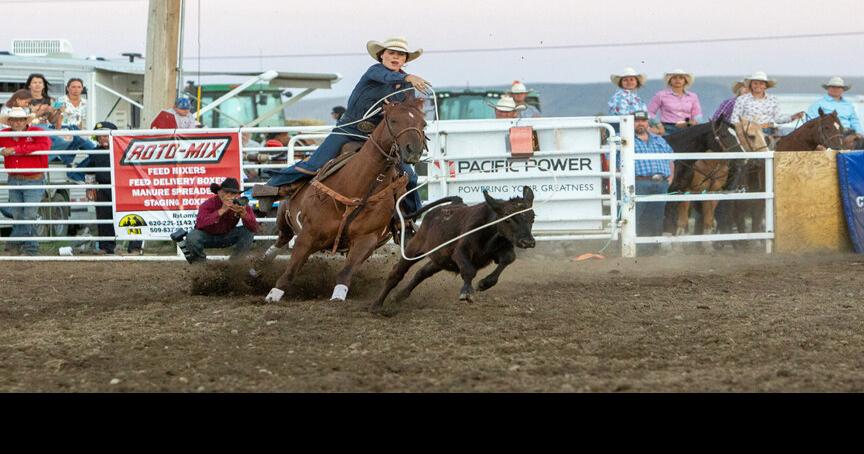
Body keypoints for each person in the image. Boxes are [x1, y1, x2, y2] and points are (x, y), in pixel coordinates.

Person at [266, 36, 429, 216]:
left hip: (376, 138)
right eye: (391, 53)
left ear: (405, 59)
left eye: (400, 54)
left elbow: (407, 111)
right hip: (348, 130)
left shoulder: (406, 87)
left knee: (409, 176)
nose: (395, 57)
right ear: (382, 55)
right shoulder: (374, 72)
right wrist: (408, 76)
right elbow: (385, 76)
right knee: (314, 164)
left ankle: (412, 217)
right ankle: (270, 188)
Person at [84, 121, 143, 255]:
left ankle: (135, 247)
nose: (102, 138)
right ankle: (106, 246)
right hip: (103, 188)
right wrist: (89, 188)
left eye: (105, 136)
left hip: (124, 187)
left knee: (131, 216)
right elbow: (89, 171)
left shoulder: (123, 149)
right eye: (100, 136)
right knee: (104, 217)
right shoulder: (94, 153)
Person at [0, 107, 52, 256]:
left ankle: (22, 246)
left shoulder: (37, 131)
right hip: (14, 179)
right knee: (18, 215)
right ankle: (26, 247)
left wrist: (15, 149)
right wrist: (3, 150)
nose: (17, 123)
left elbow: (44, 146)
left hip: (33, 179)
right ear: (9, 122)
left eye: (20, 119)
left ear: (25, 121)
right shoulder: (4, 134)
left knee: (28, 214)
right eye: (14, 120)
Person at [176, 177, 260, 263]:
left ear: (237, 195)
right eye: (227, 192)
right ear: (219, 192)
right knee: (192, 237)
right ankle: (200, 266)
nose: (230, 196)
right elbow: (200, 224)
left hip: (227, 235)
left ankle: (235, 265)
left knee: (248, 232)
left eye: (233, 193)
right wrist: (221, 210)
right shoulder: (208, 204)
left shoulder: (241, 205)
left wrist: (244, 215)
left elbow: (254, 228)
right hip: (207, 236)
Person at [632, 110, 674, 254]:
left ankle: (652, 248)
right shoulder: (625, 139)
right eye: (636, 121)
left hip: (660, 182)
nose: (640, 123)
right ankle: (634, 247)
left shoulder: (659, 139)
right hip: (638, 182)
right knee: (636, 216)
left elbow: (671, 158)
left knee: (656, 216)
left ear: (647, 122)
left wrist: (671, 176)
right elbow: (613, 160)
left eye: (643, 121)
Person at [731, 71, 804, 135]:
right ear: (751, 85)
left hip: (769, 131)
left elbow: (777, 118)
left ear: (765, 86)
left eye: (761, 84)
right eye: (755, 83)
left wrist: (792, 117)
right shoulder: (742, 99)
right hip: (749, 133)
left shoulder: (772, 100)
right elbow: (735, 119)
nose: (758, 86)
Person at [647, 69, 703, 136]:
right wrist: (658, 124)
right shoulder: (661, 95)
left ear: (685, 81)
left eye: (681, 78)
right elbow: (649, 112)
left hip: (688, 128)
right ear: (670, 80)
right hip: (668, 129)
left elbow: (697, 114)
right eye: (674, 78)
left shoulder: (692, 96)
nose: (678, 80)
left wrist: (693, 122)